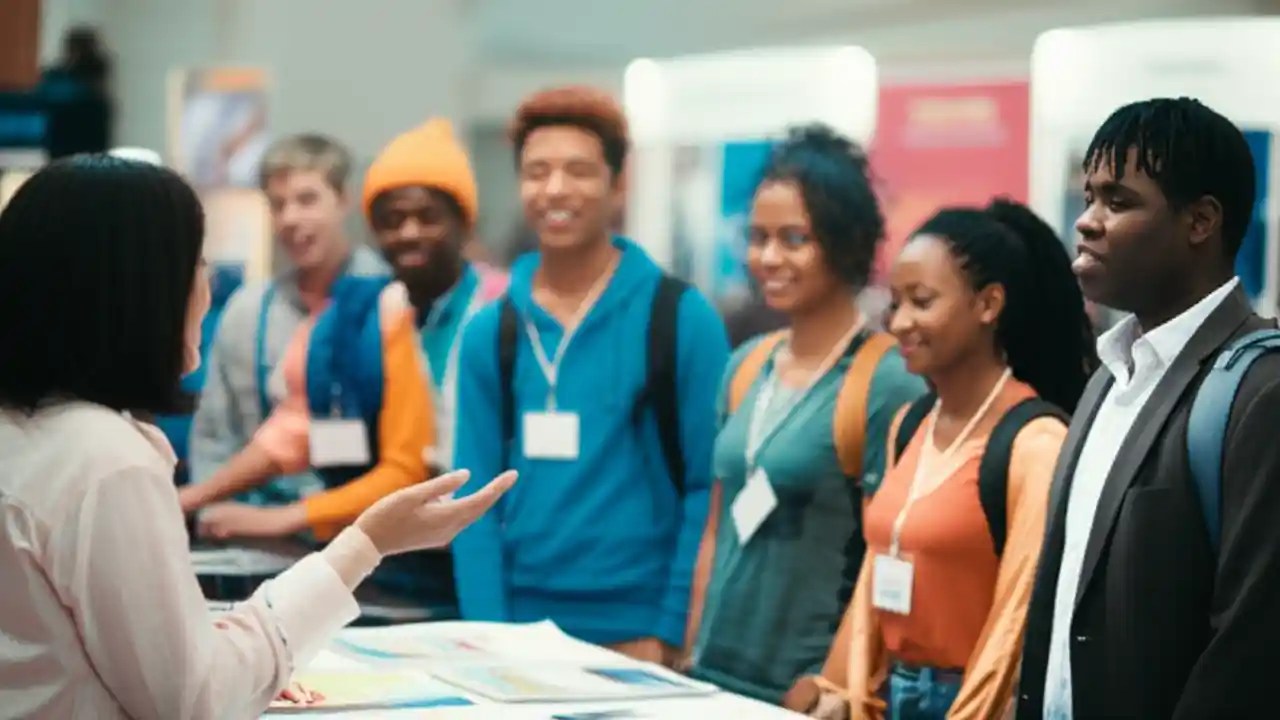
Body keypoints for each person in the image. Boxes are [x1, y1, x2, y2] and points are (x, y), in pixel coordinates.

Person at [0, 155, 515, 719]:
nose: (206, 285)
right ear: (143, 288)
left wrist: (239, 649)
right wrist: (361, 543)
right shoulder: (106, 460)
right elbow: (195, 698)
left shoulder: (33, 436)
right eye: (195, 264)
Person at [1018, 98, 1280, 719]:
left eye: (1118, 200)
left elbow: (1251, 647)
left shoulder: (1260, 391)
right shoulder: (1108, 378)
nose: (1087, 221)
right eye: (1088, 198)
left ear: (1200, 221)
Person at [450, 86, 730, 664]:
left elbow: (710, 486)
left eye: (578, 171)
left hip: (640, 631)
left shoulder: (679, 318)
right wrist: (491, 639)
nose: (555, 190)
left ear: (619, 184)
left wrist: (672, 633)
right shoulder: (490, 333)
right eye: (537, 172)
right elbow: (471, 503)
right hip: (518, 636)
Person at [803, 198, 1097, 718]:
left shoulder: (1035, 442)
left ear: (988, 304)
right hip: (892, 692)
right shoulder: (910, 424)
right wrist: (842, 688)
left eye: (921, 301)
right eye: (894, 303)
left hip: (967, 701)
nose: (899, 323)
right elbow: (875, 572)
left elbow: (1016, 619)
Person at [683, 124, 927, 704]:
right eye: (758, 236)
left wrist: (834, 685)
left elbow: (883, 561)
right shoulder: (747, 365)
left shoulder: (885, 378)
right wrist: (690, 650)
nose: (769, 257)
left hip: (803, 688)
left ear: (844, 243)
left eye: (795, 238)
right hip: (713, 675)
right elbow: (716, 527)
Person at [184, 134, 385, 511]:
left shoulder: (385, 297)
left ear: (343, 200)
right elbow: (215, 433)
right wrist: (213, 512)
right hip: (252, 532)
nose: (291, 218)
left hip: (364, 523)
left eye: (307, 200)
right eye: (278, 205)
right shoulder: (248, 310)